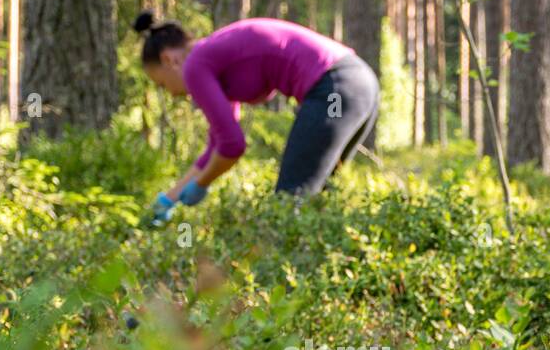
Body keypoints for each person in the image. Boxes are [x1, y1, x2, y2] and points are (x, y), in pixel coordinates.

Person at [134, 12, 380, 225]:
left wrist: (202, 184)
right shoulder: (213, 59)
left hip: (334, 90)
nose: (173, 94)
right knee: (316, 197)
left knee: (289, 203)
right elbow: (218, 146)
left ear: (169, 60)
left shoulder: (196, 65)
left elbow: (233, 146)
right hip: (359, 84)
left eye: (163, 84)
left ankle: (291, 276)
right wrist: (170, 198)